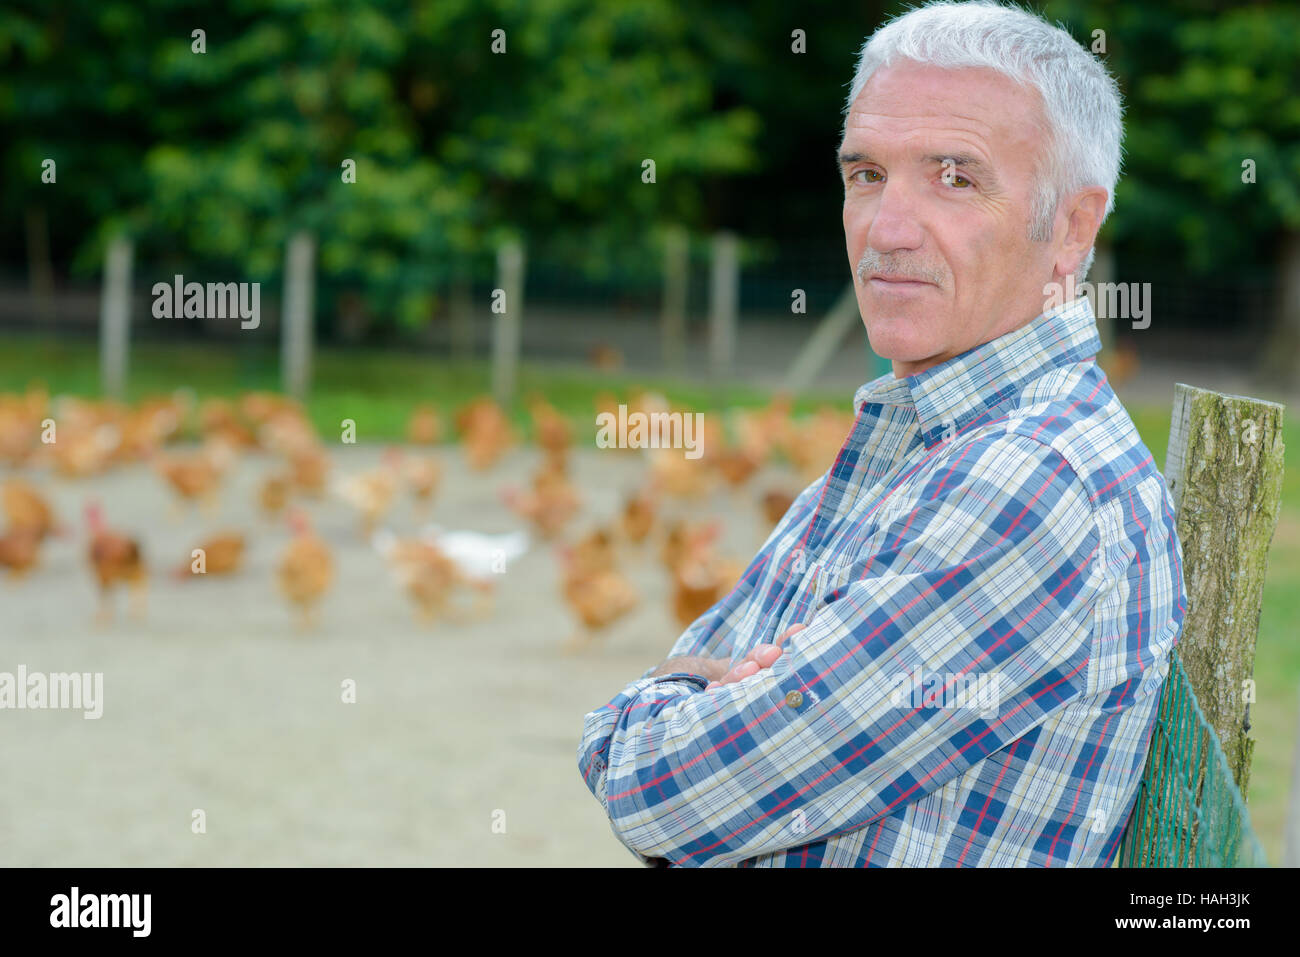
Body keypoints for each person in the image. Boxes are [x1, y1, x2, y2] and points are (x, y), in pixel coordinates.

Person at [577, 0, 1185, 867]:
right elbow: (702, 672)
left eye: (955, 177)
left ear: (1072, 229)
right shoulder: (926, 429)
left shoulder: (1028, 483)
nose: (887, 230)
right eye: (866, 175)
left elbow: (658, 796)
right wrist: (715, 690)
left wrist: (679, 704)